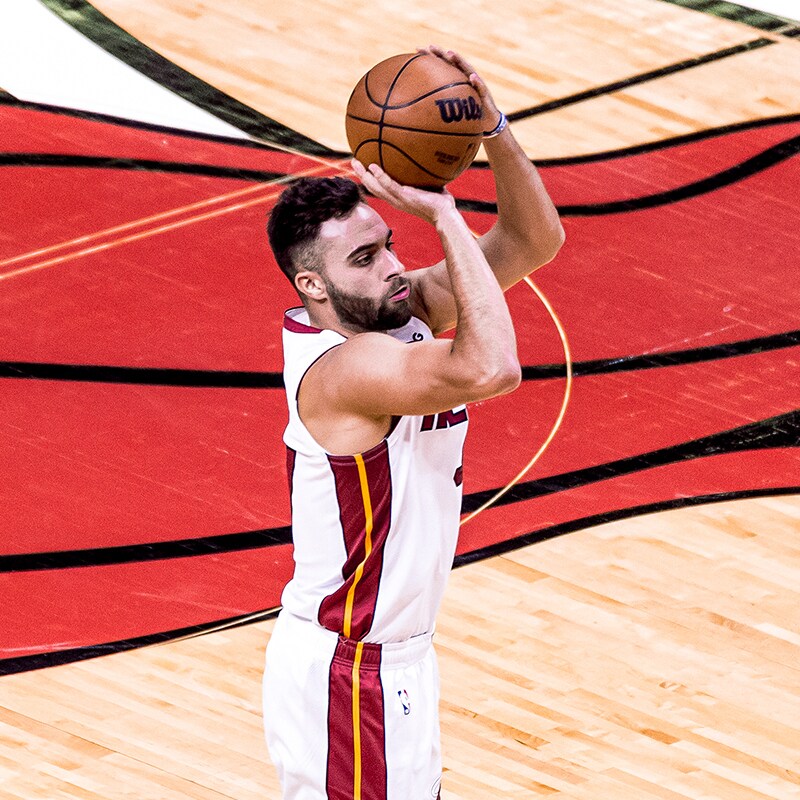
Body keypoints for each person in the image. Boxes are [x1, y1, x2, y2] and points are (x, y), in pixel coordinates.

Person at [262, 46, 564, 800]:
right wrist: (444, 213)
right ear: (313, 285)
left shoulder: (399, 312)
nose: (393, 265)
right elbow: (492, 368)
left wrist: (492, 128)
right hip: (349, 670)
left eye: (389, 241)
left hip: (391, 661)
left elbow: (535, 242)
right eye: (365, 258)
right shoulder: (347, 371)